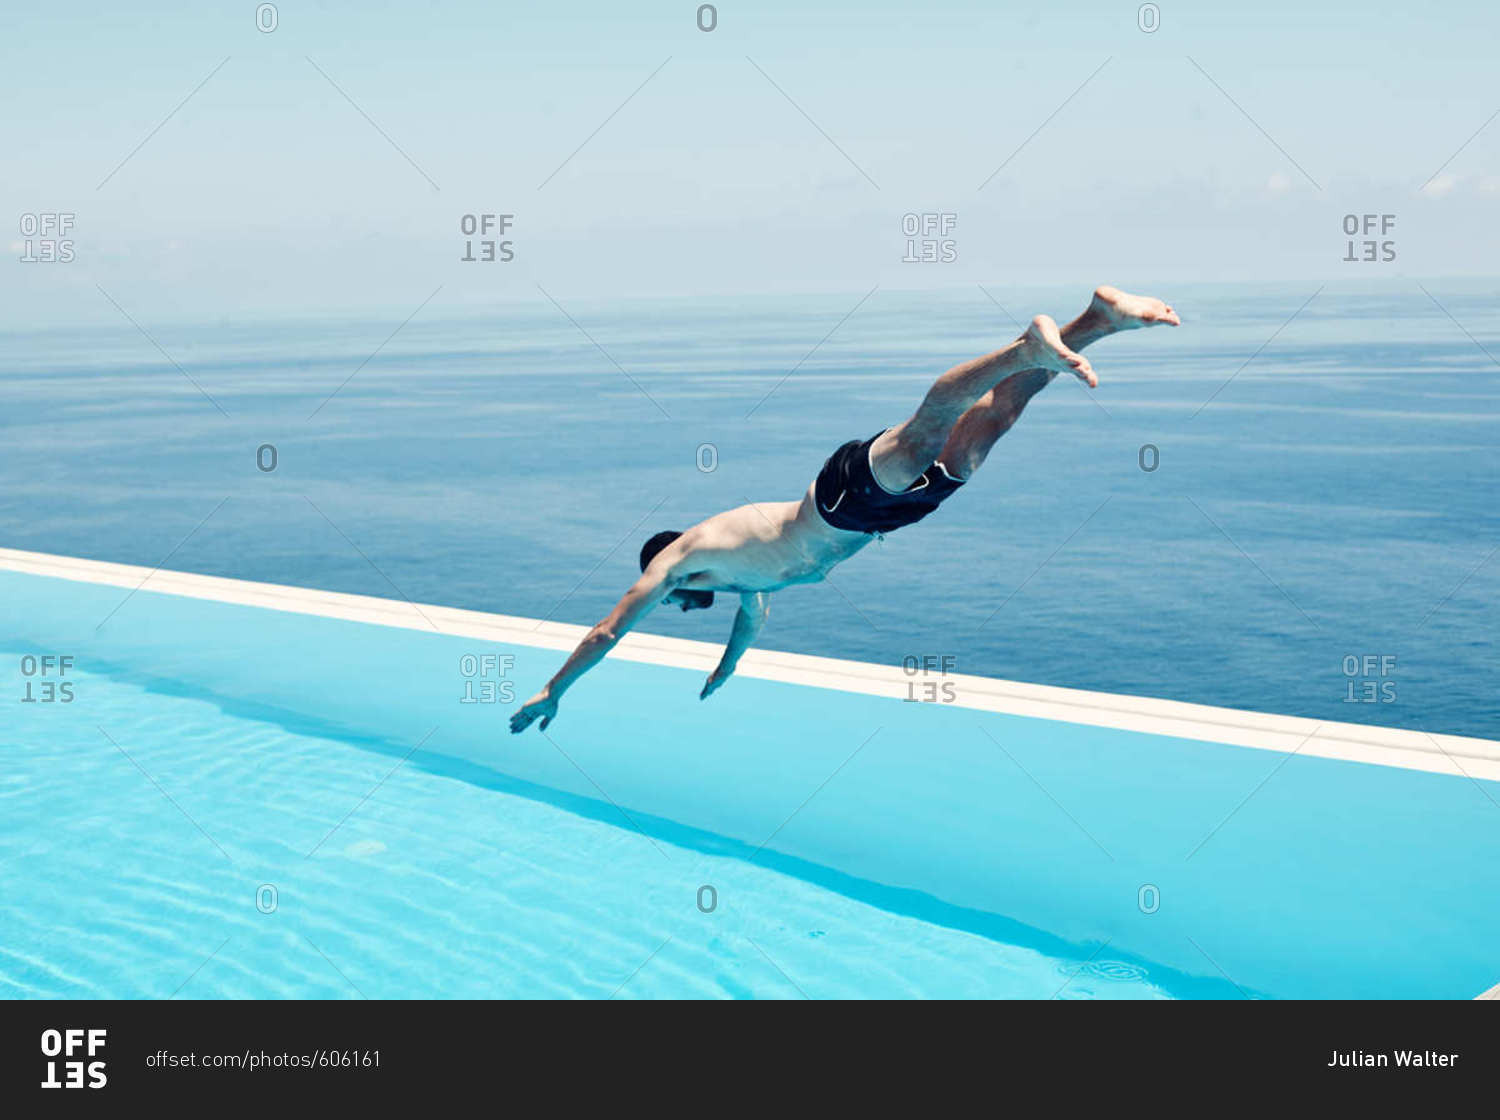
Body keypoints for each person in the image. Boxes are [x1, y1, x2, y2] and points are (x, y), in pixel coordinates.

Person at [509, 286, 1179, 733]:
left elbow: (608, 630)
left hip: (836, 501)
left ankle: (1023, 348)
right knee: (996, 422)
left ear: (661, 562)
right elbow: (752, 618)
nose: (679, 608)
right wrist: (727, 668)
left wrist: (556, 688)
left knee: (927, 429)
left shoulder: (681, 558)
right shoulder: (740, 578)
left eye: (673, 600)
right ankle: (1096, 320)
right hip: (878, 522)